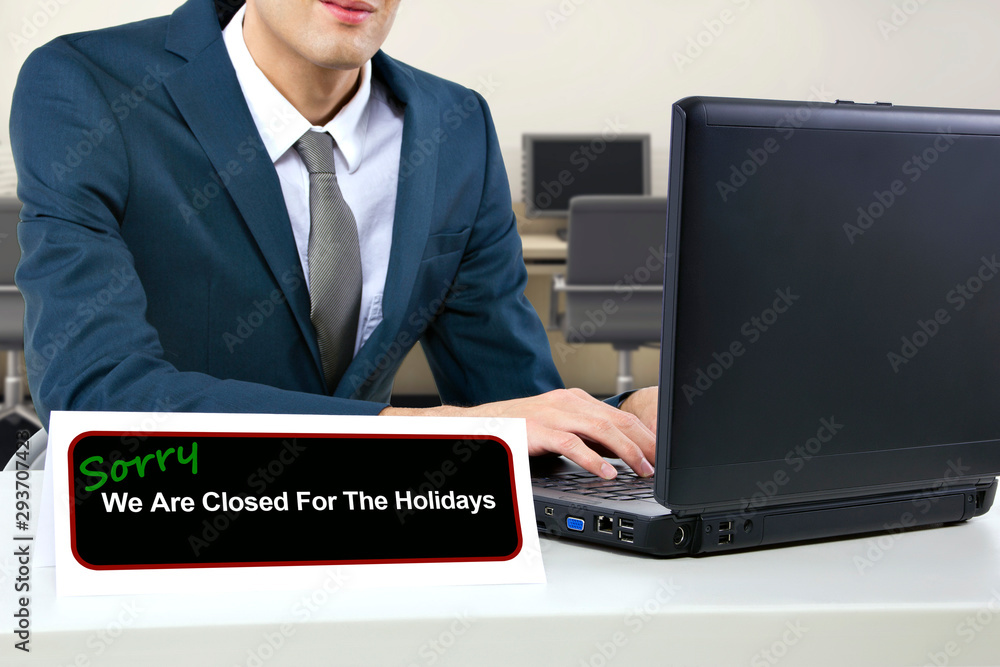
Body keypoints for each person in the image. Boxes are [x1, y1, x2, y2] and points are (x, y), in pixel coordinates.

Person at [10, 0, 657, 480]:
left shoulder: (455, 127)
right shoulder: (89, 87)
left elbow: (514, 401)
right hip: (151, 519)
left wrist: (624, 417)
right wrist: (425, 432)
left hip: (360, 534)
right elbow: (96, 394)